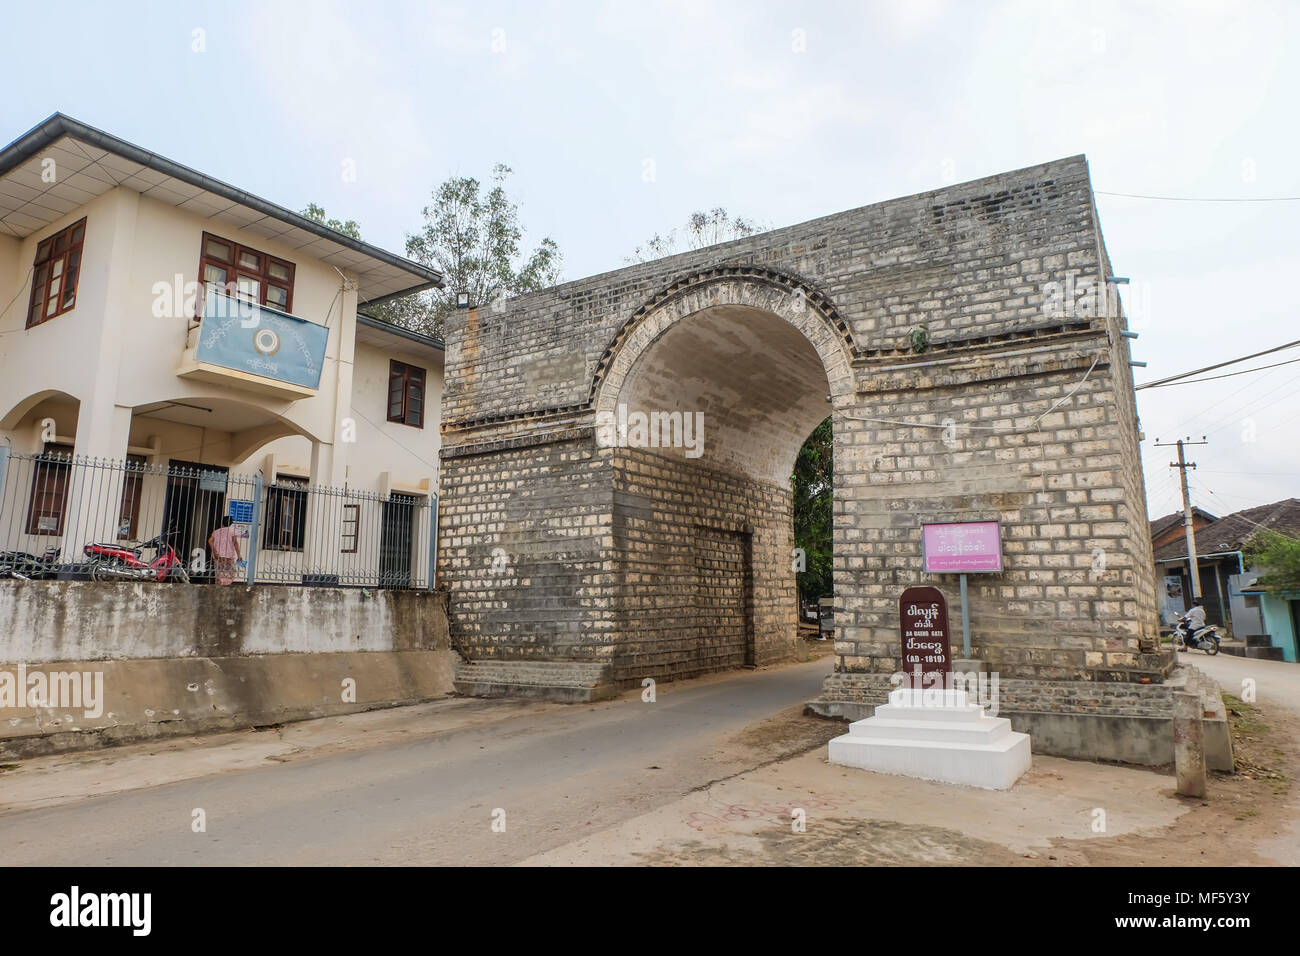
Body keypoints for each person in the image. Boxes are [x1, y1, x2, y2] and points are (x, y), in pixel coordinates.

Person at [208, 516, 242, 586]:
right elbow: (235, 543)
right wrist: (239, 555)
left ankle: (219, 586)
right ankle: (225, 585)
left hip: (217, 556)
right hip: (228, 556)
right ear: (231, 523)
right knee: (231, 572)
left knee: (219, 572)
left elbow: (210, 541)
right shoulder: (232, 530)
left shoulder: (216, 531)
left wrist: (214, 551)